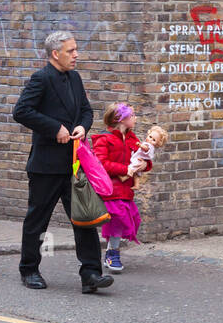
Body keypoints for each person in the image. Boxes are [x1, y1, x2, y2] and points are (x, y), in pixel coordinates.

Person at [11, 31, 113, 295]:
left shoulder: (75, 78)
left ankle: (91, 273)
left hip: (74, 165)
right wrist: (54, 128)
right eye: (71, 50)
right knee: (37, 220)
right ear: (56, 54)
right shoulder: (41, 79)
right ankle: (29, 269)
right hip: (45, 165)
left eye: (76, 49)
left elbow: (86, 111)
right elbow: (21, 111)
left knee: (85, 218)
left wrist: (81, 126)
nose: (76, 54)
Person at [92, 103, 154, 273]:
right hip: (109, 188)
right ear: (120, 119)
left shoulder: (134, 139)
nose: (135, 118)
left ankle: (109, 252)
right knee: (118, 217)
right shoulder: (103, 139)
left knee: (129, 218)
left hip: (126, 187)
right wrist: (125, 169)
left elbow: (143, 160)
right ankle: (113, 254)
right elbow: (101, 163)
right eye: (132, 115)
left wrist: (144, 166)